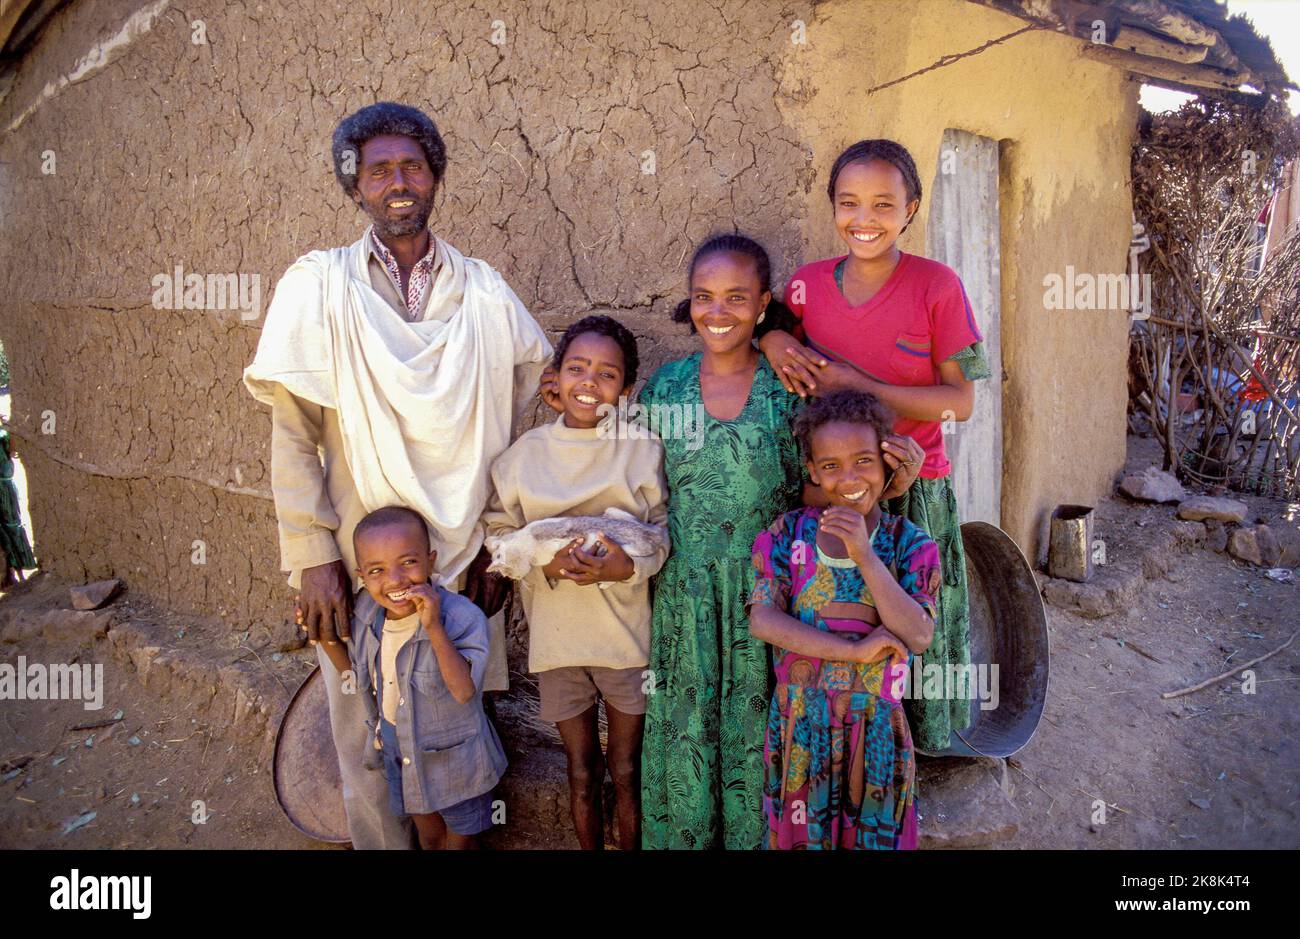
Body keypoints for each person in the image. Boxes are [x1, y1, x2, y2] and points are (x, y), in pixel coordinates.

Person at [243, 102, 551, 848]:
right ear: (355, 188)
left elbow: (517, 431)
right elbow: (294, 433)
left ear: (436, 178)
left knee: (456, 724)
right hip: (361, 563)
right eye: (378, 170)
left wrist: (497, 541)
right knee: (367, 738)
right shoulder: (319, 286)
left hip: (458, 556)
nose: (398, 181)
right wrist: (312, 555)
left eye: (412, 166)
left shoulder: (482, 291)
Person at [756, 138, 987, 752]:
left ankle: (921, 758)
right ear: (831, 206)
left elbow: (959, 401)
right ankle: (843, 751)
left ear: (911, 209)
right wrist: (774, 341)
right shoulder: (807, 287)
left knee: (913, 626)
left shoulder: (937, 286)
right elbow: (773, 320)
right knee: (843, 618)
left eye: (884, 204)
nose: (865, 219)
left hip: (915, 489)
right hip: (836, 488)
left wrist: (862, 383)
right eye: (849, 203)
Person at [484, 315, 667, 850]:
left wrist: (625, 567)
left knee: (628, 769)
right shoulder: (523, 459)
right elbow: (497, 532)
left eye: (608, 374)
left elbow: (660, 534)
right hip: (558, 643)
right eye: (578, 368)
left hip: (625, 643)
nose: (590, 382)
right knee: (582, 770)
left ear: (626, 391)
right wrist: (543, 562)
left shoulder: (641, 450)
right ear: (556, 379)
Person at [748, 390, 940, 849]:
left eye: (863, 461)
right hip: (801, 730)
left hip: (874, 733)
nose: (849, 478)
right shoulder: (786, 534)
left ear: (886, 463)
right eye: (830, 466)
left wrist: (865, 555)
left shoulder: (910, 544)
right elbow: (763, 621)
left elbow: (917, 633)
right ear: (812, 471)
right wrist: (853, 651)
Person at [318, 505, 506, 850]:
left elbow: (464, 691)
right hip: (400, 750)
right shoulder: (368, 615)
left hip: (455, 759)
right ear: (362, 575)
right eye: (377, 570)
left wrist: (433, 626)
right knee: (430, 837)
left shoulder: (463, 617)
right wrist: (326, 639)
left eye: (408, 563)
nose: (395, 580)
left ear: (431, 561)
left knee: (461, 842)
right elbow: (356, 677)